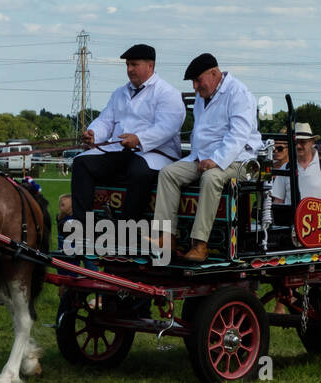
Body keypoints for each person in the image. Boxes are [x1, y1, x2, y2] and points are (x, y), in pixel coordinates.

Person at [71, 44, 185, 248]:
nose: (130, 69)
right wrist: (93, 133)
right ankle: (83, 228)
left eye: (134, 64)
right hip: (121, 150)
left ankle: (126, 232)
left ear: (150, 66)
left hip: (155, 153)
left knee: (138, 171)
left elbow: (167, 127)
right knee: (81, 163)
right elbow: (106, 120)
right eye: (127, 65)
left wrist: (139, 138)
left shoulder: (167, 93)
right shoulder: (119, 93)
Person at [152, 53, 262, 263]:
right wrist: (199, 158)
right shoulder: (205, 96)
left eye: (197, 80)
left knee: (211, 177)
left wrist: (216, 160)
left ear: (214, 73)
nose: (194, 86)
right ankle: (166, 238)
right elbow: (201, 133)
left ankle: (200, 244)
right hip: (204, 158)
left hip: (241, 160)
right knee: (168, 173)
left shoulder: (239, 93)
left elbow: (238, 134)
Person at [271, 123, 321, 206]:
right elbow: (278, 201)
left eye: (302, 142)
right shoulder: (286, 168)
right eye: (296, 142)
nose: (298, 146)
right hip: (291, 218)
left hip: (318, 218)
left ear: (312, 142)